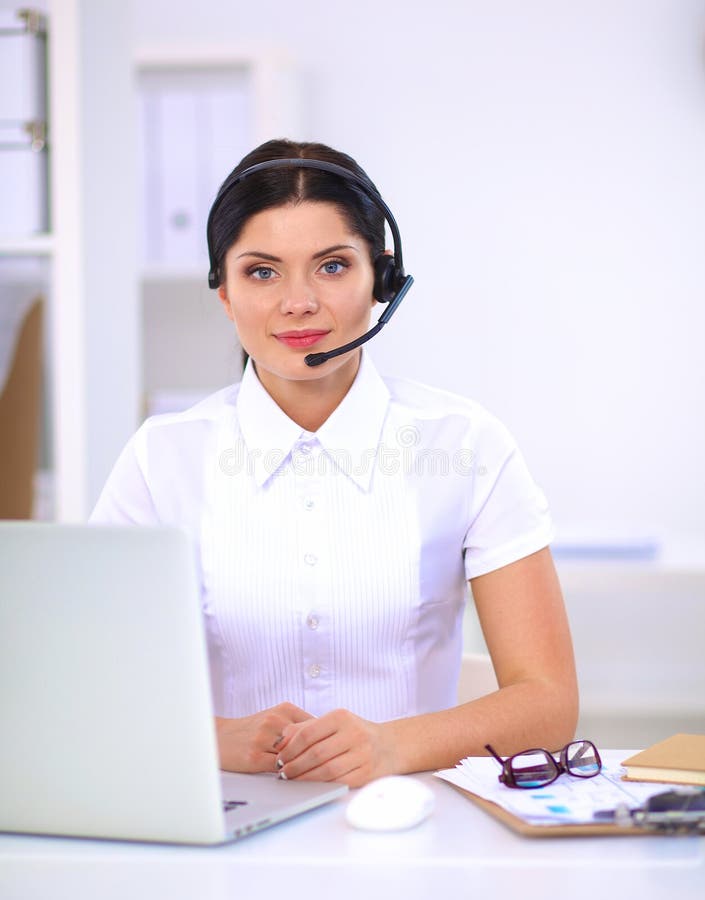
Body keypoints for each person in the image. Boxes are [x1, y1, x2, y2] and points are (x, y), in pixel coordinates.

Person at [91, 138, 578, 787]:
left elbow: (547, 702)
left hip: (411, 817)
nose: (298, 302)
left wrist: (392, 746)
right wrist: (210, 739)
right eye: (262, 271)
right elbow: (88, 689)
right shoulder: (161, 459)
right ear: (224, 294)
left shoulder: (464, 445)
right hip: (221, 825)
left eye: (331, 266)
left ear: (381, 280)